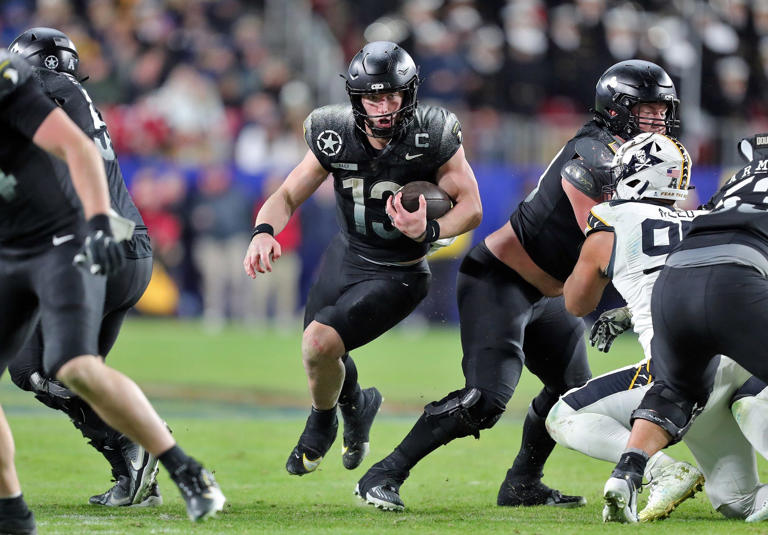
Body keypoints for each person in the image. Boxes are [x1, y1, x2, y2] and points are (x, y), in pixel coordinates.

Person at [355, 59, 680, 511]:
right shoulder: (594, 154)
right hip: (501, 279)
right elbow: (606, 238)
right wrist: (634, 300)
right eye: (646, 108)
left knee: (570, 393)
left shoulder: (642, 157)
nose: (658, 118)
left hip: (549, 295)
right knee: (484, 400)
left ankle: (522, 484)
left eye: (662, 109)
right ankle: (383, 474)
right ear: (616, 108)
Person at [0, 48, 224, 524]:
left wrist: (98, 223)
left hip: (73, 240)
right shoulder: (64, 94)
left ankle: (157, 454)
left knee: (61, 368)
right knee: (66, 371)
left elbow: (72, 156)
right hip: (114, 241)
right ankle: (21, 508)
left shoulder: (33, 86)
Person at [243, 41, 482, 476]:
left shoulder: (433, 132)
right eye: (374, 98)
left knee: (319, 343)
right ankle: (357, 405)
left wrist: (430, 231)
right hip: (347, 255)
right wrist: (263, 232)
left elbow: (472, 207)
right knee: (320, 352)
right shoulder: (334, 131)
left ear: (409, 95)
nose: (384, 108)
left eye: (393, 96)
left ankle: (321, 422)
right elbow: (287, 194)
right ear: (356, 99)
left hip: (399, 271)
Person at [547, 132, 768, 522]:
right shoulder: (709, 217)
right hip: (739, 352)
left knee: (563, 415)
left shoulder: (613, 219)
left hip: (680, 366)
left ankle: (658, 469)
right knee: (739, 501)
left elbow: (576, 303)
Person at [5, 27, 160, 508]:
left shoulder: (35, 97)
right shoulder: (73, 97)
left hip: (85, 251)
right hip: (130, 249)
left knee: (34, 368)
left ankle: (135, 442)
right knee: (77, 373)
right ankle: (138, 473)